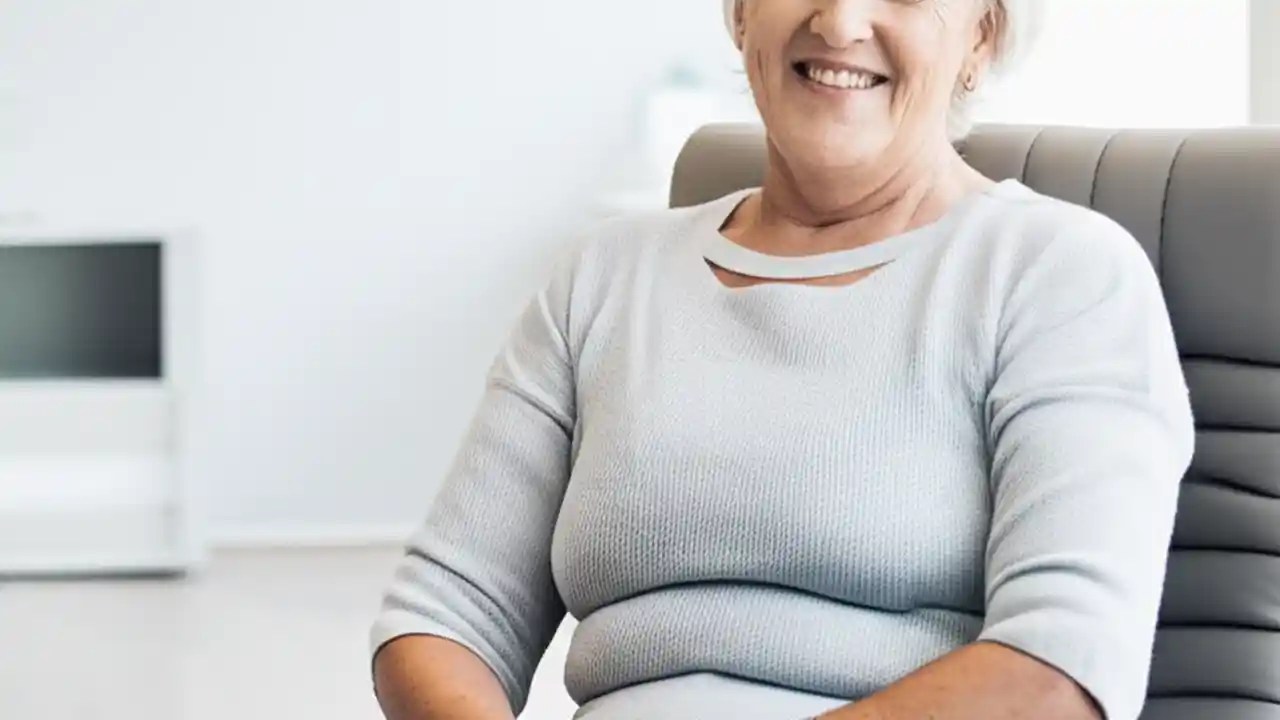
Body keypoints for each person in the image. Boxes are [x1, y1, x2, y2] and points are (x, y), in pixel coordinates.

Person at [369, 1, 1195, 719]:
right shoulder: (605, 276)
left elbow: (1058, 673)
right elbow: (445, 614)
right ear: (739, 13)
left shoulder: (1060, 274)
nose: (839, 22)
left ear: (981, 36)